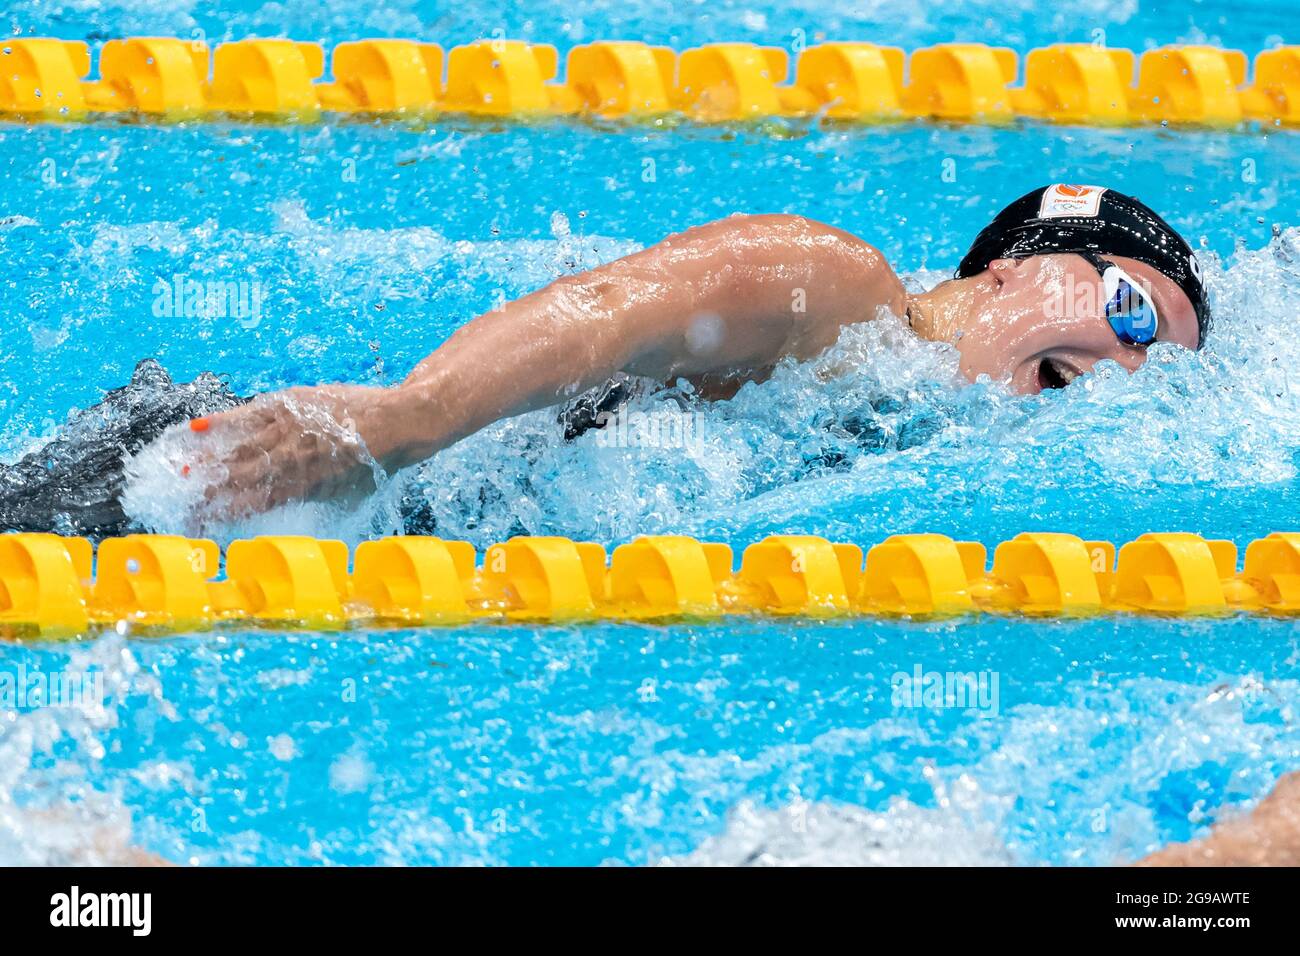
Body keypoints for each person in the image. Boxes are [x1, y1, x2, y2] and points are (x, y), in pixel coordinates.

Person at [0, 183, 1209, 533]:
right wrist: (403, 419)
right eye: (1129, 308)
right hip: (272, 469)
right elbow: (611, 310)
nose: (1129, 360)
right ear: (1006, 264)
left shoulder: (939, 459)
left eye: (1166, 360)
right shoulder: (846, 298)